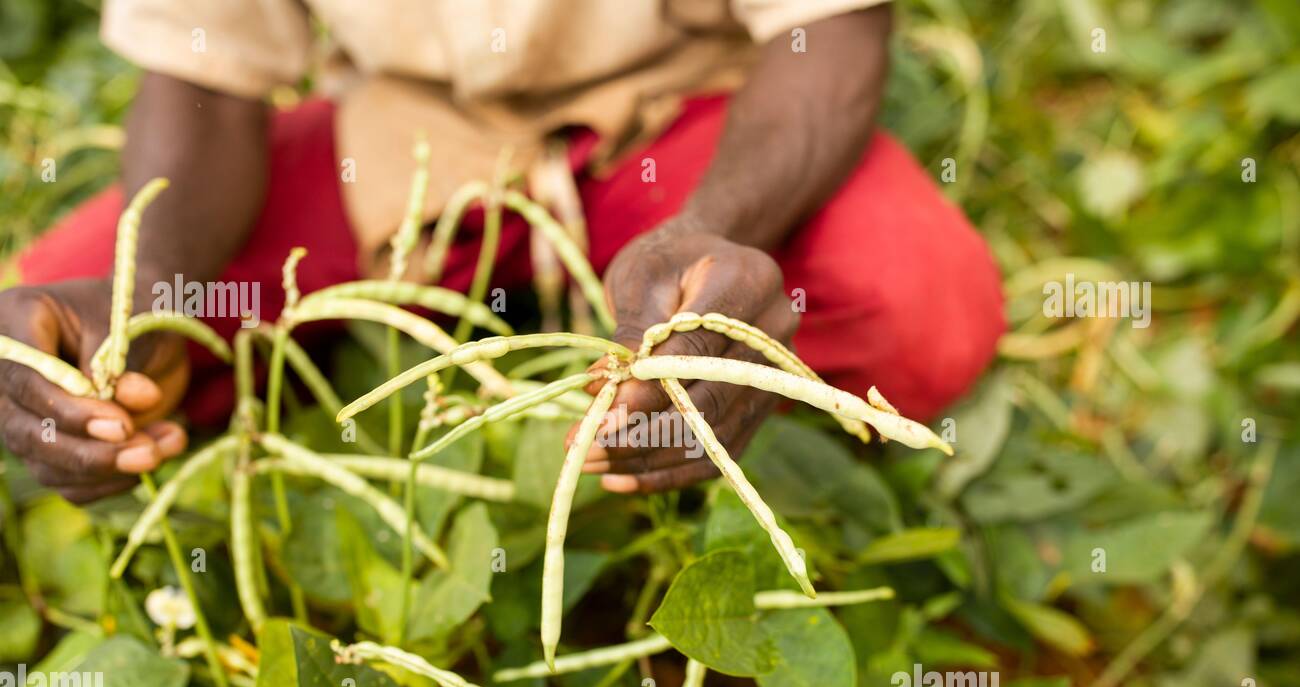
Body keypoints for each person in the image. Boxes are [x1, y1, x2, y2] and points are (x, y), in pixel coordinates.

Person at [0, 0, 1004, 503]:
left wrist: (721, 235)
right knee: (62, 341)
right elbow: (204, 79)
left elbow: (823, 36)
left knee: (915, 302)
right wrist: (145, 301)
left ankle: (665, 305)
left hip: (686, 120)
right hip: (397, 136)